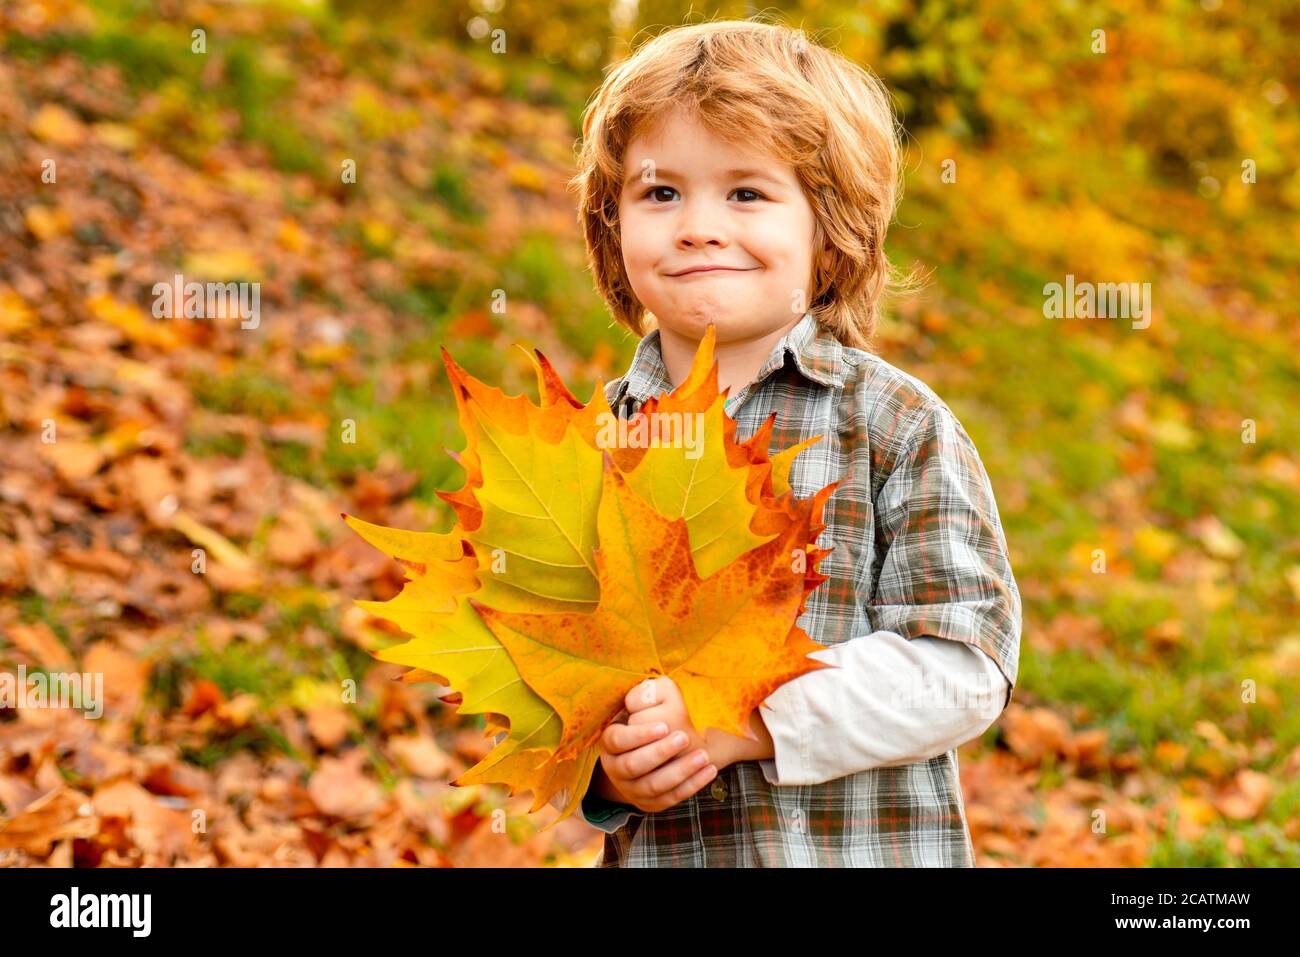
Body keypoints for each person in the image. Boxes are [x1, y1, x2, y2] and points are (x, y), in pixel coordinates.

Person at [547, 18, 1021, 866]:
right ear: (611, 226)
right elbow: (553, 680)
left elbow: (964, 665)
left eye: (745, 193)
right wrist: (611, 773)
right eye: (660, 194)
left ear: (830, 228)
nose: (697, 226)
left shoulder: (893, 427)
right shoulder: (590, 450)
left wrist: (747, 713)